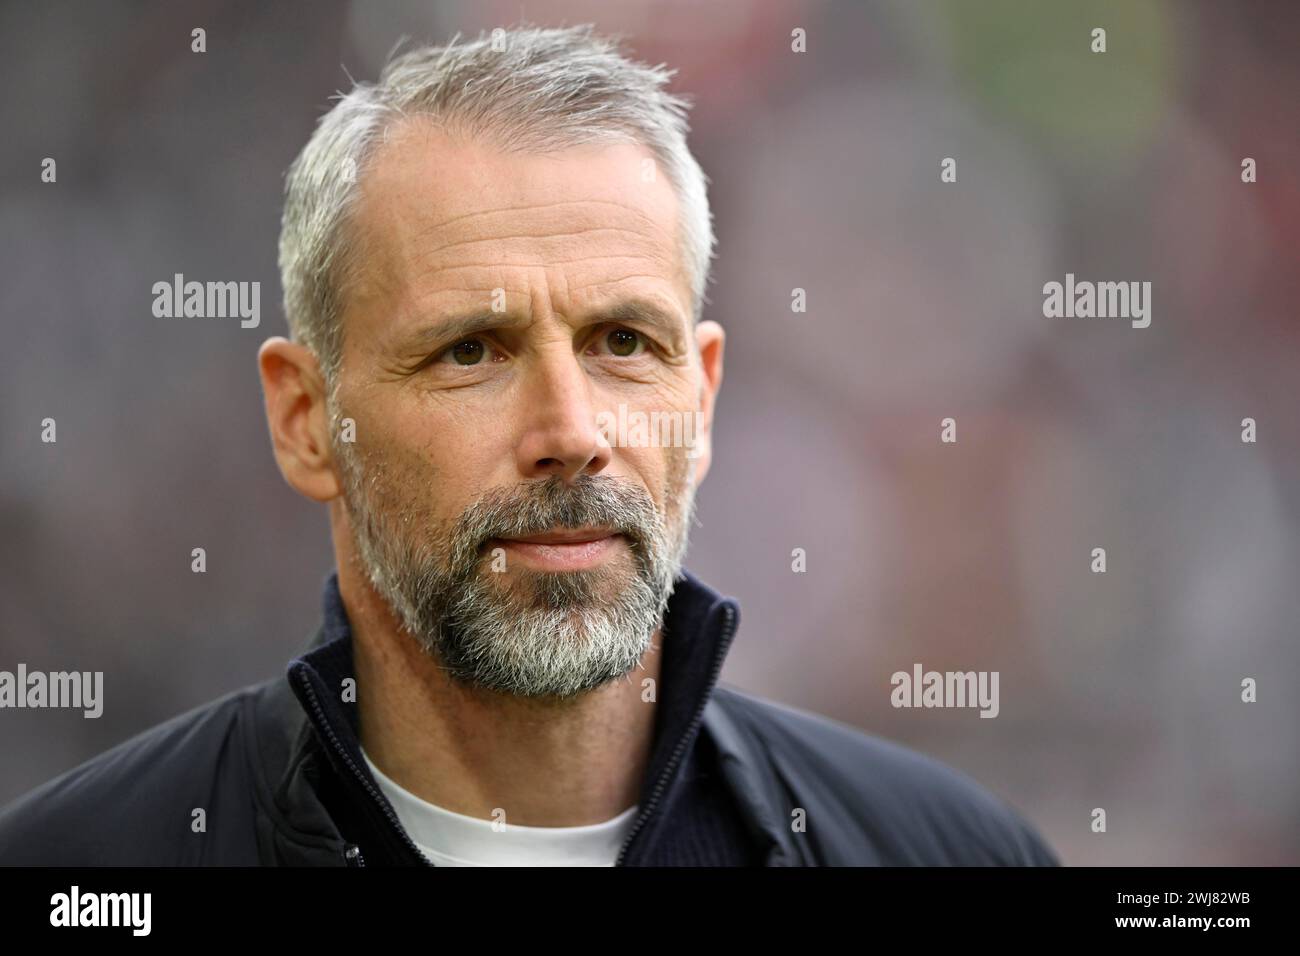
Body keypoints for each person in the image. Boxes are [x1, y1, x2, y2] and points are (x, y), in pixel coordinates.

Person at [0, 23, 1058, 867]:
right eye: (472, 350)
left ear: (702, 396)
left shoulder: (951, 848)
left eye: (622, 342)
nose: (571, 433)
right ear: (306, 418)